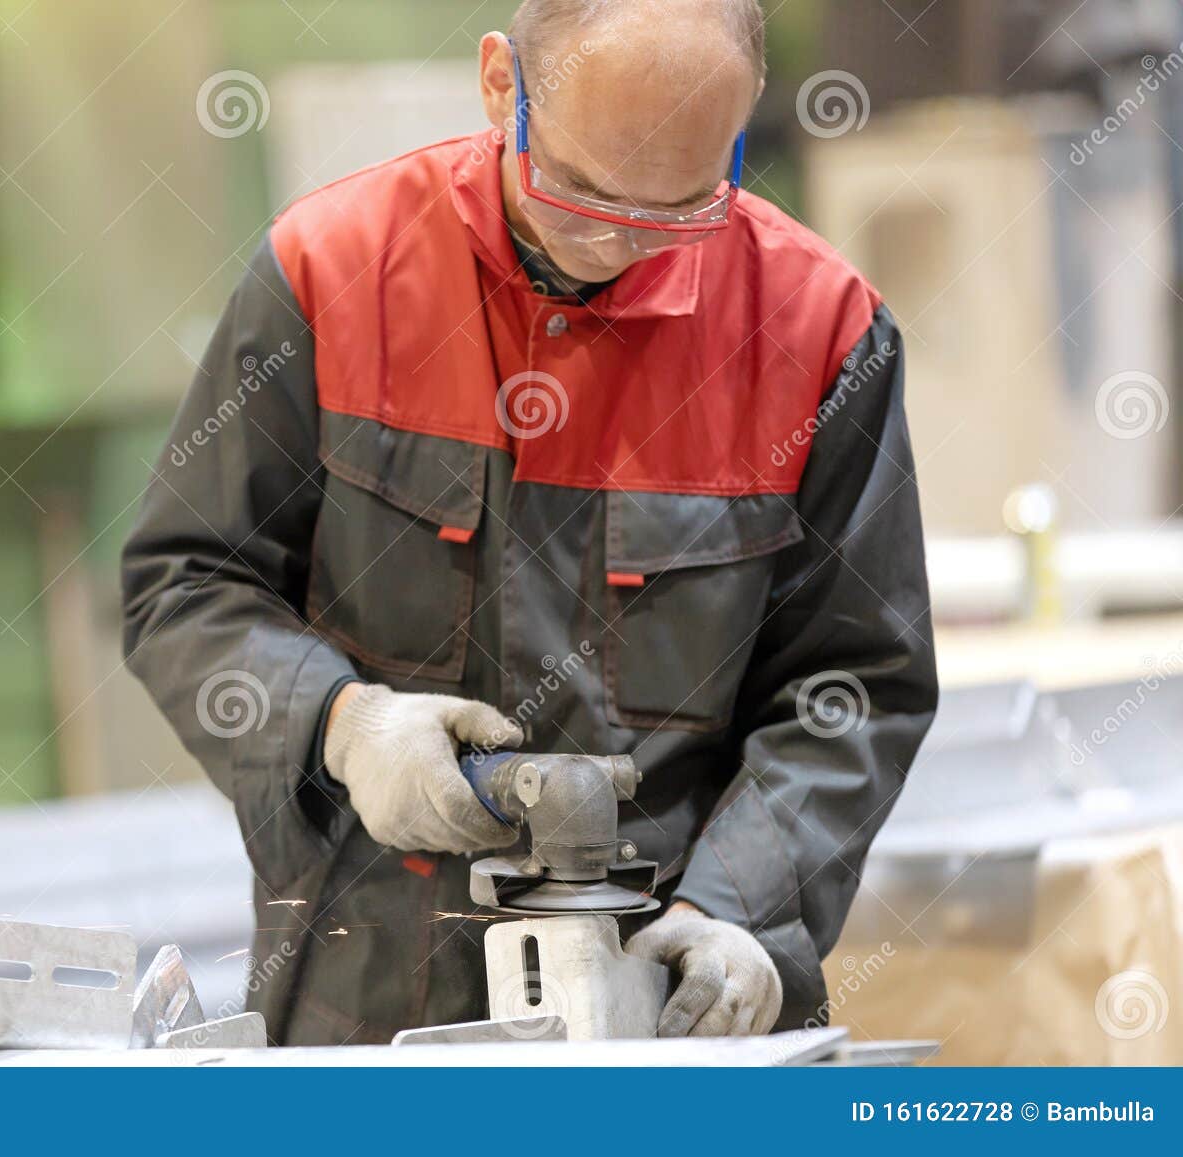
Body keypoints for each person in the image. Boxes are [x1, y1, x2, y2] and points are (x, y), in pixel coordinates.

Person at [122, 0, 937, 1045]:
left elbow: (855, 682)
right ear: (501, 85)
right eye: (584, 191)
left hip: (660, 1014)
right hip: (365, 1005)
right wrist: (339, 723)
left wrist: (737, 908)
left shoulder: (820, 333)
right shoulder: (331, 274)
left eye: (679, 208)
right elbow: (185, 582)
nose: (618, 242)